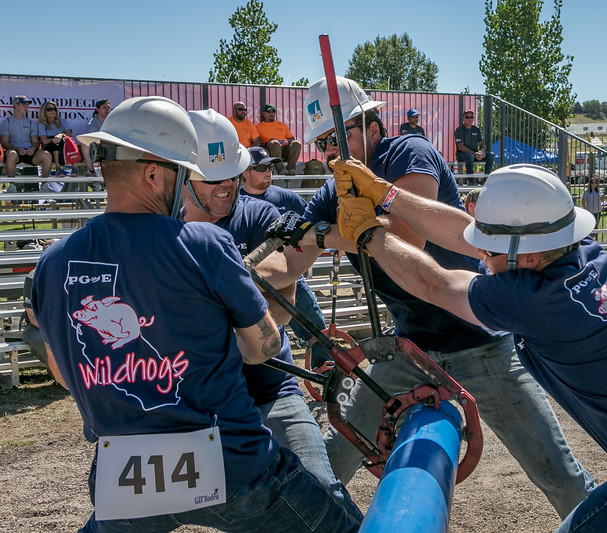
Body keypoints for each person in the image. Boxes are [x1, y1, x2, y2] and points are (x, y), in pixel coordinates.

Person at [331, 161, 607, 532]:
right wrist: (387, 195)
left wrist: (370, 234)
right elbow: (471, 232)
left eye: (491, 252)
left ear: (528, 256)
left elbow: (432, 282)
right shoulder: (583, 255)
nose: (481, 257)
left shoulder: (536, 300)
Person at [263, 76, 595, 519]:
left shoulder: (407, 153)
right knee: (333, 459)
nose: (328, 153)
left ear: (372, 126)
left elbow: (406, 239)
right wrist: (244, 281)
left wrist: (329, 235)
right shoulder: (332, 192)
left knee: (558, 472)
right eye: (322, 144)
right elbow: (291, 259)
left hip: (482, 344)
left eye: (335, 138)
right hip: (409, 351)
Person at [30, 96, 362, 532]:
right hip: (234, 467)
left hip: (125, 482)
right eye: (183, 173)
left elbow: (61, 368)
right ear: (153, 173)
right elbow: (264, 347)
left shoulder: (52, 265)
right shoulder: (201, 242)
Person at [184, 109, 355, 508]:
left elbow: (282, 269)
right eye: (213, 178)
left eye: (232, 174)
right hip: (195, 403)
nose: (226, 185)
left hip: (271, 387)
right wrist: (243, 297)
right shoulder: (164, 224)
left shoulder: (256, 212)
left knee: (323, 491)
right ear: (183, 175)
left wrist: (205, 293)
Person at [240, 146, 329, 369]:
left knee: (315, 325)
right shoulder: (235, 203)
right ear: (245, 174)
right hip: (250, 281)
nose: (268, 171)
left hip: (289, 277)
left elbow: (311, 225)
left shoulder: (287, 198)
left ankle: (324, 369)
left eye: (269, 167)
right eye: (260, 168)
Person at [0, 95, 52, 180]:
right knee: (11, 154)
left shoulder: (30, 123)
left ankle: (44, 185)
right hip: (15, 154)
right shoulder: (6, 123)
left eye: (27, 105)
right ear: (16, 105)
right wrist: (17, 149)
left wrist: (33, 149)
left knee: (47, 155)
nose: (26, 107)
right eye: (24, 104)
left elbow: (35, 142)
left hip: (29, 153)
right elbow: (4, 143)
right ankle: (12, 186)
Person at [256, 104, 302, 176]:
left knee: (296, 143)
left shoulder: (282, 125)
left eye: (273, 111)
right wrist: (267, 142)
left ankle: (291, 169)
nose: (271, 114)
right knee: (275, 143)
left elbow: (291, 139)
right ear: (264, 114)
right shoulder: (259, 127)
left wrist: (287, 142)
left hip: (284, 149)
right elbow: (257, 143)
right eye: (269, 112)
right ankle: (280, 170)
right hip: (269, 151)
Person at [36, 100, 73, 175]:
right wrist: (56, 138)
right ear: (44, 112)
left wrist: (60, 135)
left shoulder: (63, 122)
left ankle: (74, 169)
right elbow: (44, 141)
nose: (53, 111)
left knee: (72, 144)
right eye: (49, 109)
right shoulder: (41, 124)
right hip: (48, 149)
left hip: (62, 148)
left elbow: (69, 135)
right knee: (56, 143)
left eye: (54, 109)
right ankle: (58, 167)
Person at [454, 110, 494, 175]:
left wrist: (482, 151)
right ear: (463, 118)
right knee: (470, 156)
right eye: (467, 117)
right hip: (462, 154)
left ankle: (486, 178)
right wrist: (474, 154)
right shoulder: (459, 130)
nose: (470, 119)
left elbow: (482, 143)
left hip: (475, 154)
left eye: (471, 117)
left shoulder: (476, 129)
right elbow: (460, 147)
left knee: (490, 156)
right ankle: (471, 180)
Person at [79, 99, 112, 168]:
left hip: (111, 145)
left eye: (108, 108)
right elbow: (91, 139)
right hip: (97, 146)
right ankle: (91, 171)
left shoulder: (113, 121)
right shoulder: (92, 123)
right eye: (104, 107)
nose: (107, 110)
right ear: (97, 109)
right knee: (84, 144)